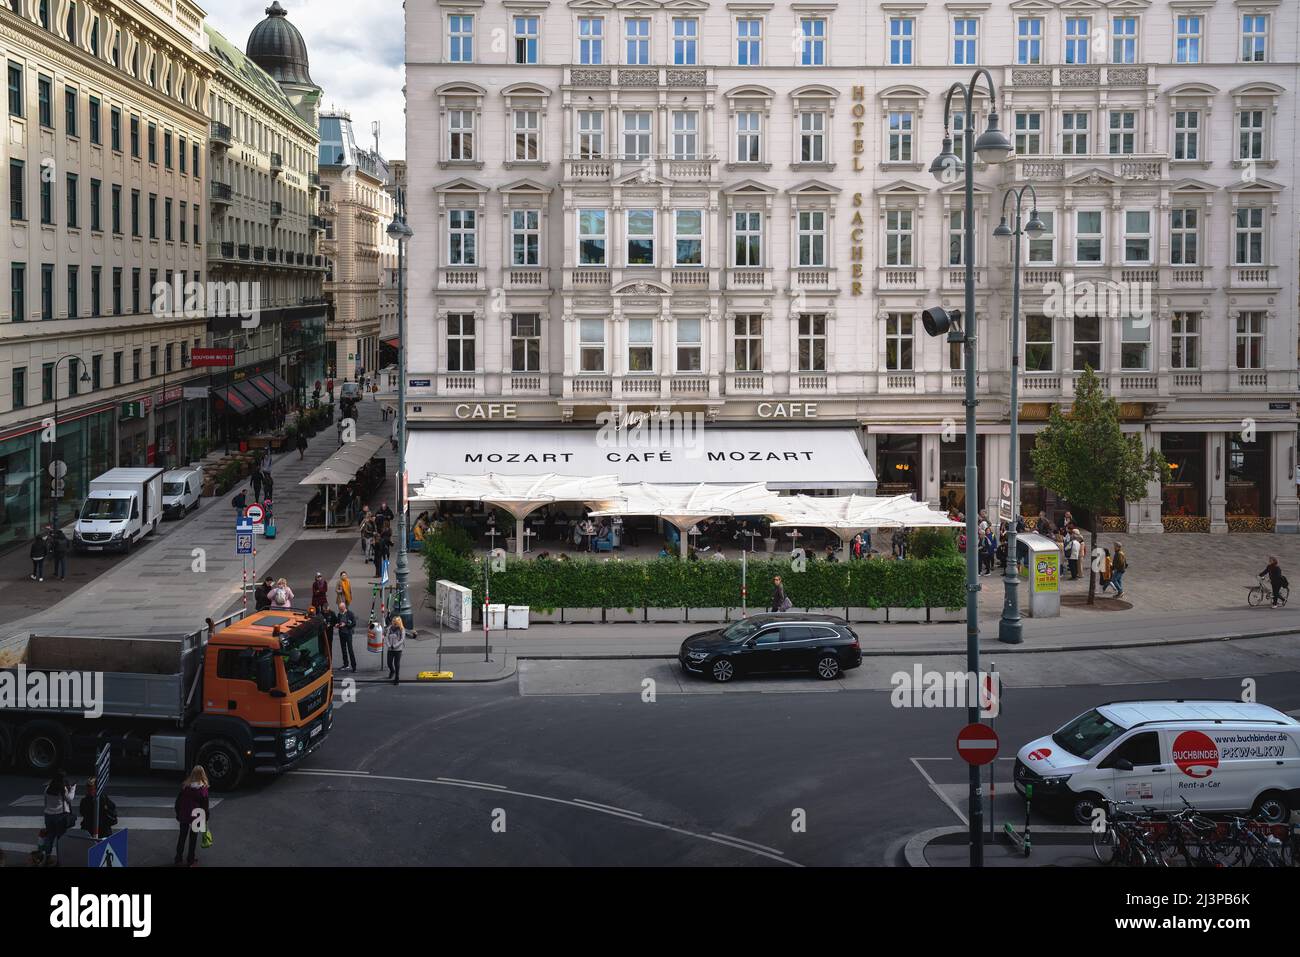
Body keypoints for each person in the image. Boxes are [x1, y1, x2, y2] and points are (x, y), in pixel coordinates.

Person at [33, 772, 75, 865]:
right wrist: (73, 789)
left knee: (49, 837)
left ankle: (47, 857)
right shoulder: (62, 789)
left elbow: (45, 802)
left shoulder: (47, 788)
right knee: (60, 839)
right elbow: (70, 799)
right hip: (60, 816)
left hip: (48, 815)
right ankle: (59, 860)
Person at [174, 766, 210, 867]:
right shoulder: (203, 789)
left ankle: (178, 858)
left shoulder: (185, 786)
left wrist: (178, 813)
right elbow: (205, 806)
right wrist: (205, 818)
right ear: (202, 774)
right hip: (196, 815)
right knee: (193, 838)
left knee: (182, 836)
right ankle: (190, 859)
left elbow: (178, 802)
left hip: (184, 814)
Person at [336, 602, 358, 672]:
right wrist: (337, 625)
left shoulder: (350, 614)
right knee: (343, 650)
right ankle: (346, 664)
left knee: (350, 650)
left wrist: (345, 625)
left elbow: (354, 623)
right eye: (339, 609)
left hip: (348, 634)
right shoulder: (339, 614)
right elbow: (338, 622)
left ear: (344, 607)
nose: (340, 610)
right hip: (341, 634)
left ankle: (354, 667)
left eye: (341, 609)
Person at [385, 615, 406, 685]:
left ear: (399, 622)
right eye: (393, 621)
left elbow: (402, 640)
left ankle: (397, 677)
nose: (394, 623)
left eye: (395, 622)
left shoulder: (401, 629)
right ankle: (392, 671)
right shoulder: (389, 628)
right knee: (389, 663)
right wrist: (389, 645)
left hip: (398, 650)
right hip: (390, 649)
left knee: (396, 664)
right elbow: (386, 637)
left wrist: (394, 646)